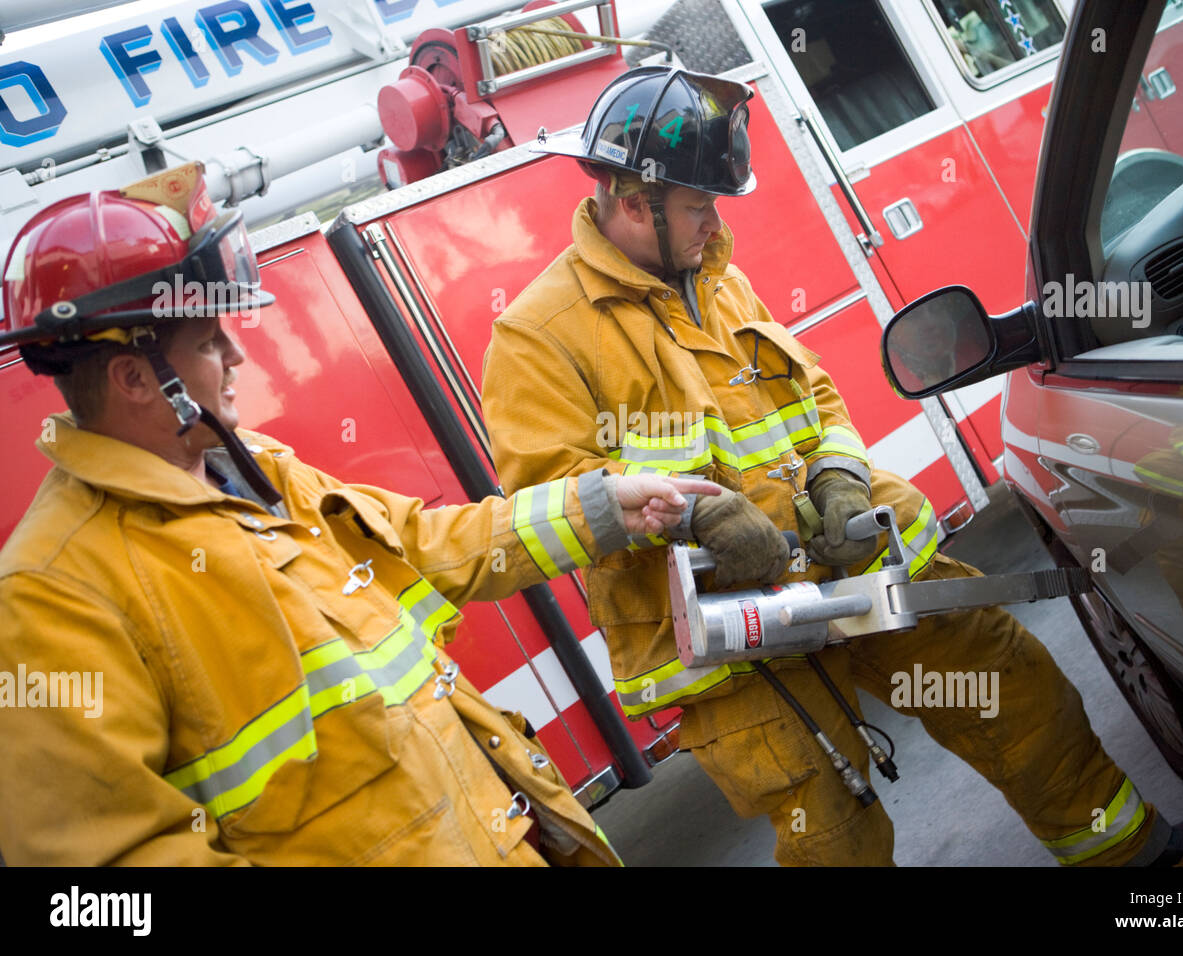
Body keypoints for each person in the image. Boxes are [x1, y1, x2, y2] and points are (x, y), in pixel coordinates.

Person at [481, 65, 1183, 867]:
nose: (713, 225)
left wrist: (837, 477)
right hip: (729, 644)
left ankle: (1134, 858)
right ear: (635, 204)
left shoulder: (719, 283)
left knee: (1003, 687)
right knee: (828, 818)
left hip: (846, 578)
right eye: (699, 207)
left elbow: (816, 404)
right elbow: (551, 497)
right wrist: (691, 513)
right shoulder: (538, 336)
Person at [0, 162, 719, 866]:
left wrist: (601, 508)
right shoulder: (51, 593)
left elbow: (424, 544)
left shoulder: (250, 467)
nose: (238, 356)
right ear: (134, 378)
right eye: (209, 343)